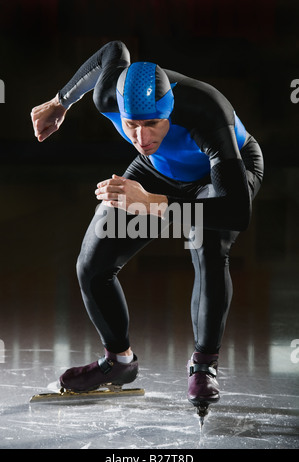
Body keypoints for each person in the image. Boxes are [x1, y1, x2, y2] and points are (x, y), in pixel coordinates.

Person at [31, 40, 263, 408]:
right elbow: (113, 52)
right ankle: (118, 361)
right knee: (92, 265)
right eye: (131, 126)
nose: (141, 138)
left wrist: (153, 203)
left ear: (169, 111)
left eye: (153, 124)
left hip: (220, 179)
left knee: (208, 245)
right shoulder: (108, 96)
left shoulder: (207, 111)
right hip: (157, 172)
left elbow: (236, 212)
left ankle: (203, 366)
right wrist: (60, 102)